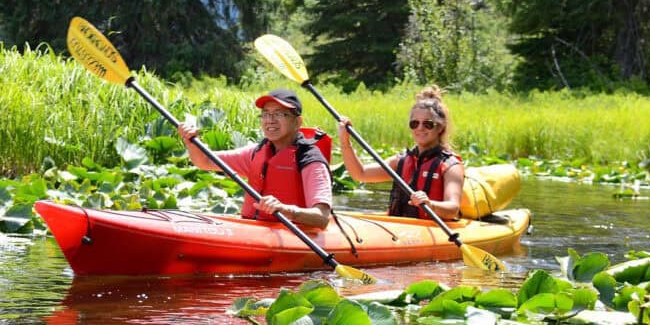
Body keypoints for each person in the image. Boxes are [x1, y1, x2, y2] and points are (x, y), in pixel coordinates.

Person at [177, 88, 332, 229]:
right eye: (265, 114)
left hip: (295, 235)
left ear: (297, 122)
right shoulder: (256, 152)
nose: (270, 120)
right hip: (254, 230)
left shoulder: (310, 160)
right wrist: (191, 141)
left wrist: (286, 210)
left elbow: (323, 218)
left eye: (279, 114)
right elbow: (204, 161)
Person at [338, 85, 464, 220]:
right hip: (399, 228)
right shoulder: (401, 161)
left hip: (433, 229)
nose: (420, 128)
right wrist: (345, 142)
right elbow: (360, 174)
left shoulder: (451, 166)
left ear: (440, 127)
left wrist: (430, 204)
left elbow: (453, 208)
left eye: (427, 124)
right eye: (414, 123)